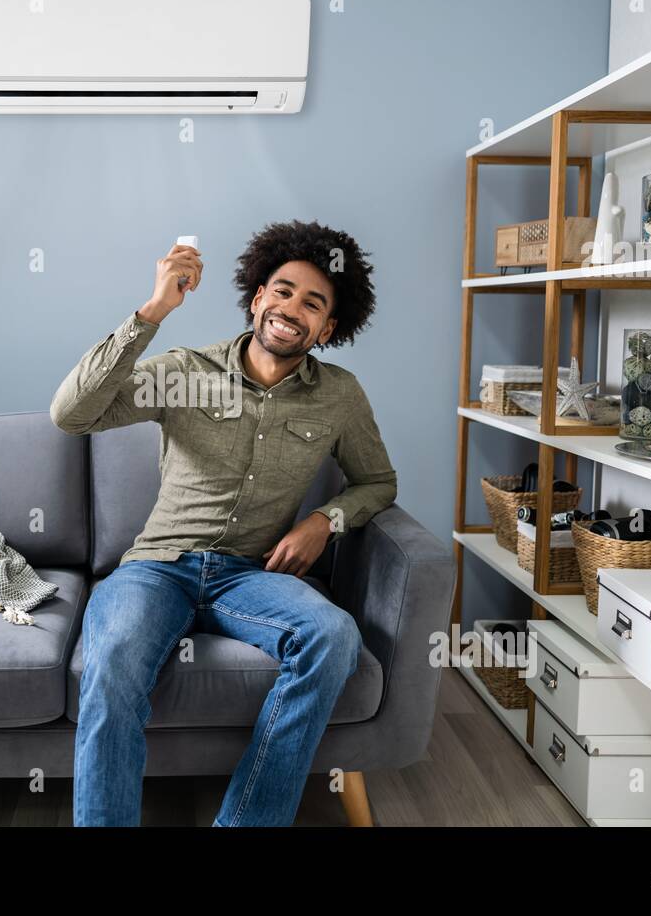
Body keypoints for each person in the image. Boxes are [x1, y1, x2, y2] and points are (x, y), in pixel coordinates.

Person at [49, 219, 398, 826]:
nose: (293, 309)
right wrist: (155, 309)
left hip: (249, 577)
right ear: (258, 297)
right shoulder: (186, 371)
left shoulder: (340, 396)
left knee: (334, 636)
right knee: (116, 656)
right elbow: (71, 414)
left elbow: (377, 482)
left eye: (313, 303)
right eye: (283, 291)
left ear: (327, 328)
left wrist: (325, 520)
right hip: (158, 568)